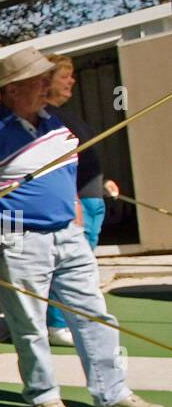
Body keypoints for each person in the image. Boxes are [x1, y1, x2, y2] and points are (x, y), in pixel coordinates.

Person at [0, 47, 164, 407]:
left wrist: (74, 209)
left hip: (67, 234)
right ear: (12, 89)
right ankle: (44, 395)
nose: (47, 84)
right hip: (14, 233)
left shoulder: (56, 123)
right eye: (38, 79)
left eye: (48, 77)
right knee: (28, 323)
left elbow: (68, 170)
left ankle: (112, 394)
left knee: (93, 315)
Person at [42, 53, 122, 347]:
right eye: (65, 76)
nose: (72, 81)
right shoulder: (47, 119)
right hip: (75, 206)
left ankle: (73, 317)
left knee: (84, 266)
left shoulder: (68, 115)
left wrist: (103, 182)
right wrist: (73, 201)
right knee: (70, 267)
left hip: (91, 199)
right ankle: (58, 324)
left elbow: (83, 160)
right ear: (47, 81)